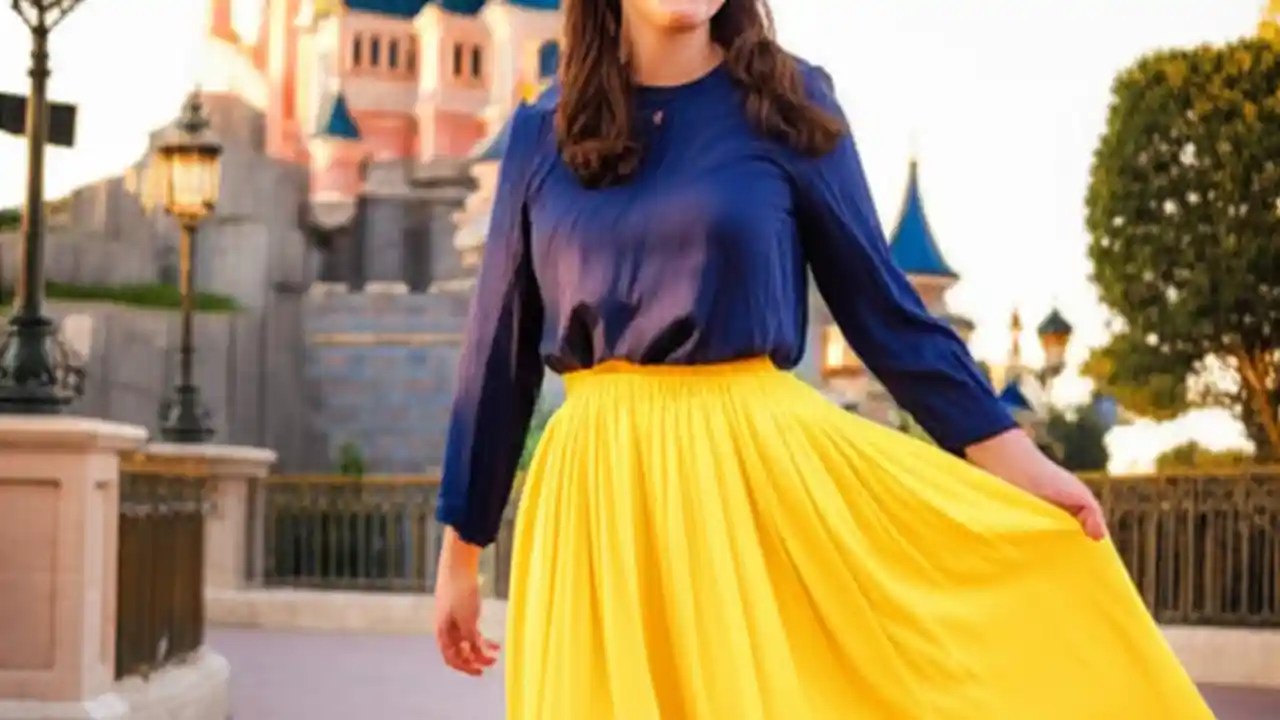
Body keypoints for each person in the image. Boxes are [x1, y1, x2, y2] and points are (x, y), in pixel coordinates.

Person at [431, 1, 1214, 718]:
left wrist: (1021, 462)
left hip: (750, 495)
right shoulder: (543, 133)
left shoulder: (785, 102)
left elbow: (886, 312)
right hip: (596, 503)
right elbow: (496, 355)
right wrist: (461, 550)